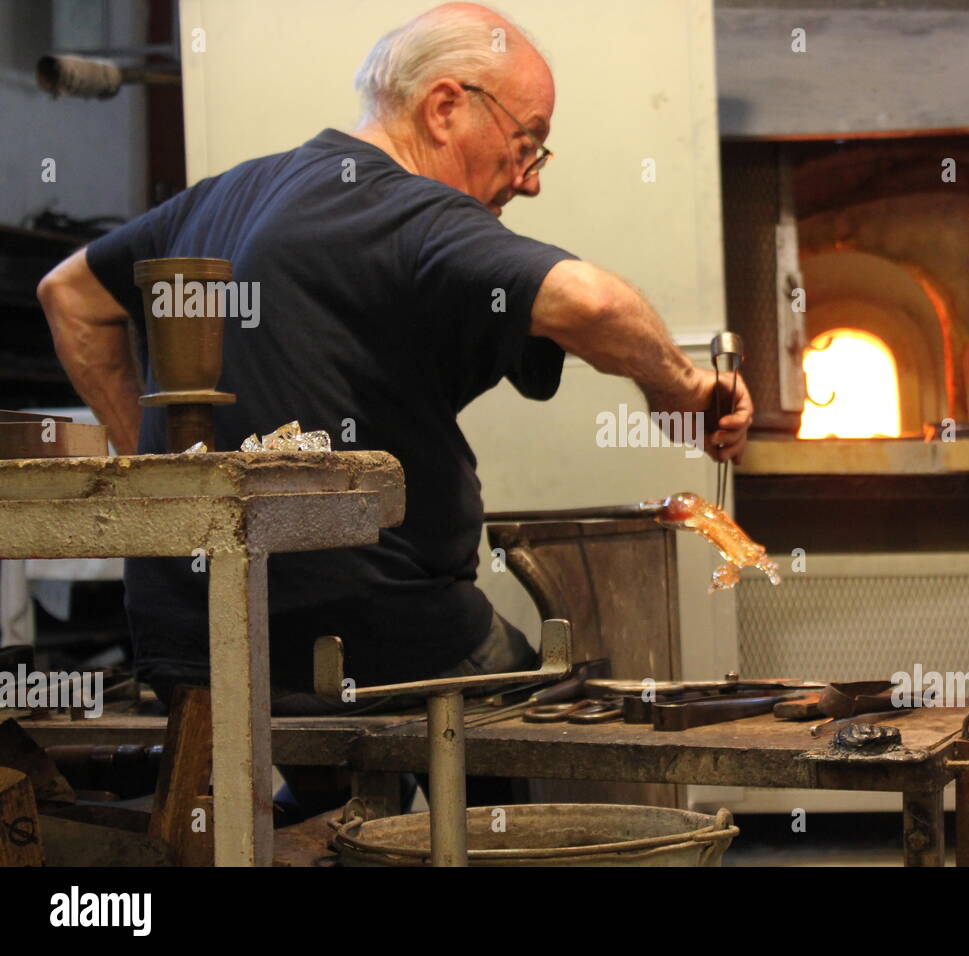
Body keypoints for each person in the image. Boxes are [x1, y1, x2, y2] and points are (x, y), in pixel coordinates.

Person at [36, 2, 752, 717]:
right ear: (445, 107)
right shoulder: (405, 208)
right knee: (555, 715)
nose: (530, 178)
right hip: (368, 630)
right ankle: (488, 821)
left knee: (325, 783)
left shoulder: (227, 196)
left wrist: (167, 488)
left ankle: (321, 819)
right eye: (526, 142)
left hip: (185, 637)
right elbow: (593, 303)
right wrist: (682, 388)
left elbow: (67, 293)